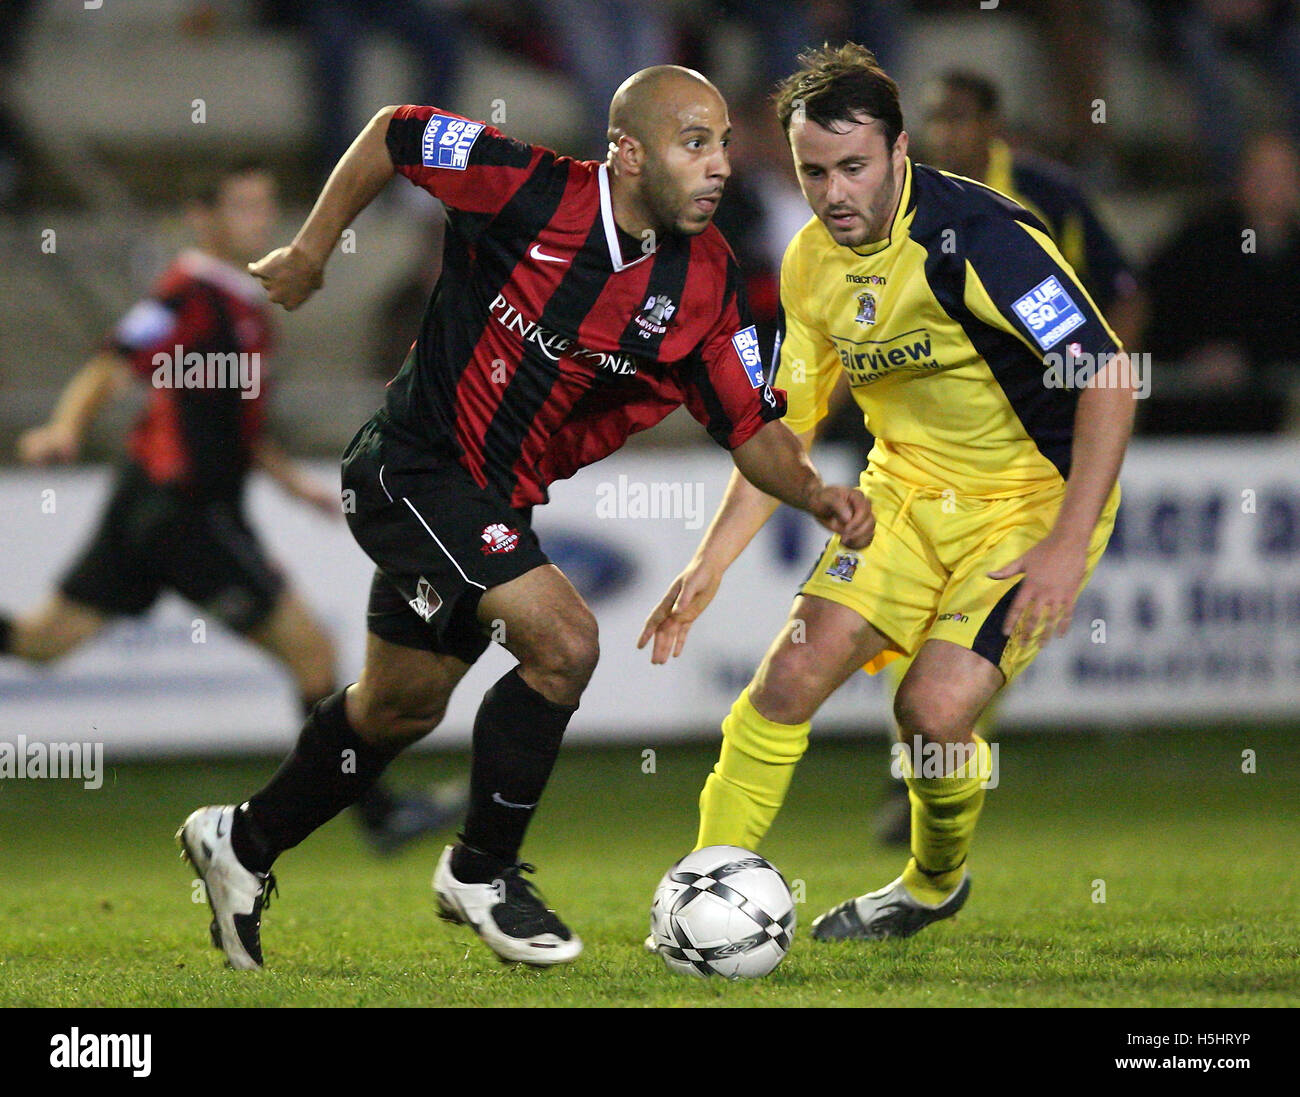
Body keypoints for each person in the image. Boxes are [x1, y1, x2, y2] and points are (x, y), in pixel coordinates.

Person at [177, 66, 873, 971]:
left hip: (490, 502)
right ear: (627, 152)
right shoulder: (528, 186)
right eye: (694, 143)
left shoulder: (705, 282)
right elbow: (394, 129)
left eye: (724, 147)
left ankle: (243, 842)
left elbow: (750, 425)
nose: (718, 168)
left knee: (398, 705)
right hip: (410, 468)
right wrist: (313, 247)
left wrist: (815, 491)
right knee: (565, 641)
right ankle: (482, 869)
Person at [640, 44, 1135, 942]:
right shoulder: (808, 261)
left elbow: (1105, 375)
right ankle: (694, 900)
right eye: (813, 171)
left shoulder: (982, 240)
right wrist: (710, 560)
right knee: (786, 679)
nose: (834, 194)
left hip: (1026, 503)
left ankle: (931, 880)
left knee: (932, 712)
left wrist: (1065, 544)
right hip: (902, 495)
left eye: (854, 168)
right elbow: (785, 430)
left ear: (901, 153)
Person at [1, 164, 462, 855]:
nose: (258, 218)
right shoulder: (187, 290)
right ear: (202, 217)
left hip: (152, 505)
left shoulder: (239, 298)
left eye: (265, 205)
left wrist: (289, 483)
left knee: (43, 642)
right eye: (242, 206)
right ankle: (374, 815)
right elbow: (112, 362)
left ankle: (375, 814)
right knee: (314, 653)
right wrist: (65, 427)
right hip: (182, 509)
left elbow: (235, 421)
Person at [1142, 130, 1300, 434]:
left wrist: (1252, 358)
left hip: (1257, 430)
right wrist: (1194, 358)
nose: (1272, 185)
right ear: (1242, 178)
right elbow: (1154, 308)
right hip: (1181, 422)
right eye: (1262, 173)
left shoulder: (1294, 257)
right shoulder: (1197, 240)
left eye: (1282, 174)